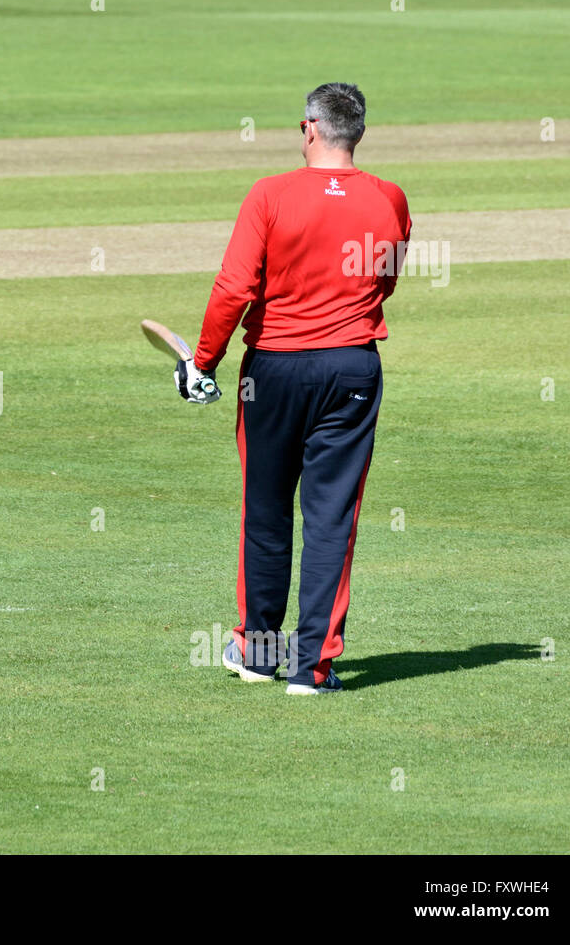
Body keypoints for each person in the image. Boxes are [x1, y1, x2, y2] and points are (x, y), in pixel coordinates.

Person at [182, 83, 411, 694]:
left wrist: (202, 362)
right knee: (332, 517)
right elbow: (385, 280)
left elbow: (233, 288)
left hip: (275, 370)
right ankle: (311, 669)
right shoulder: (390, 198)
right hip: (352, 368)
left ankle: (257, 654)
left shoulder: (270, 193)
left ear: (309, 128)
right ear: (355, 131)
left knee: (265, 511)